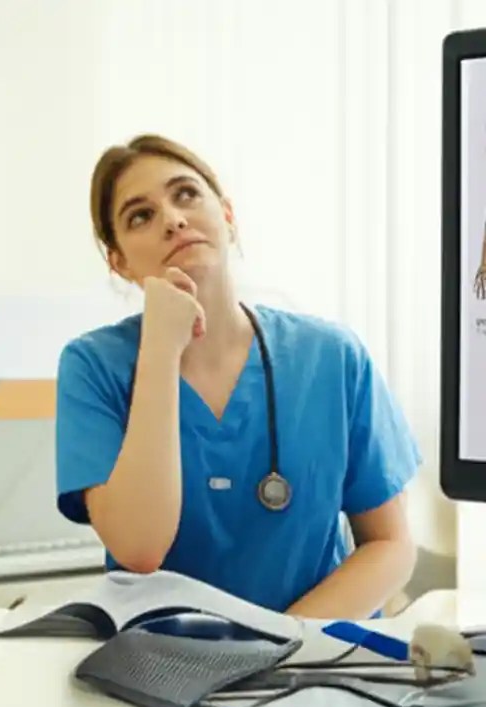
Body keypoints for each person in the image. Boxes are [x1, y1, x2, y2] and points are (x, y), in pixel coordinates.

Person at [55, 134, 420, 619]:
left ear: (227, 215)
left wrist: (284, 642)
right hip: (166, 657)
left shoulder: (331, 356)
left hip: (314, 652)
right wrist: (161, 349)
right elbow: (139, 548)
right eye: (140, 216)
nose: (173, 219)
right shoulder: (93, 366)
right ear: (118, 261)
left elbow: (390, 545)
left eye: (186, 194)